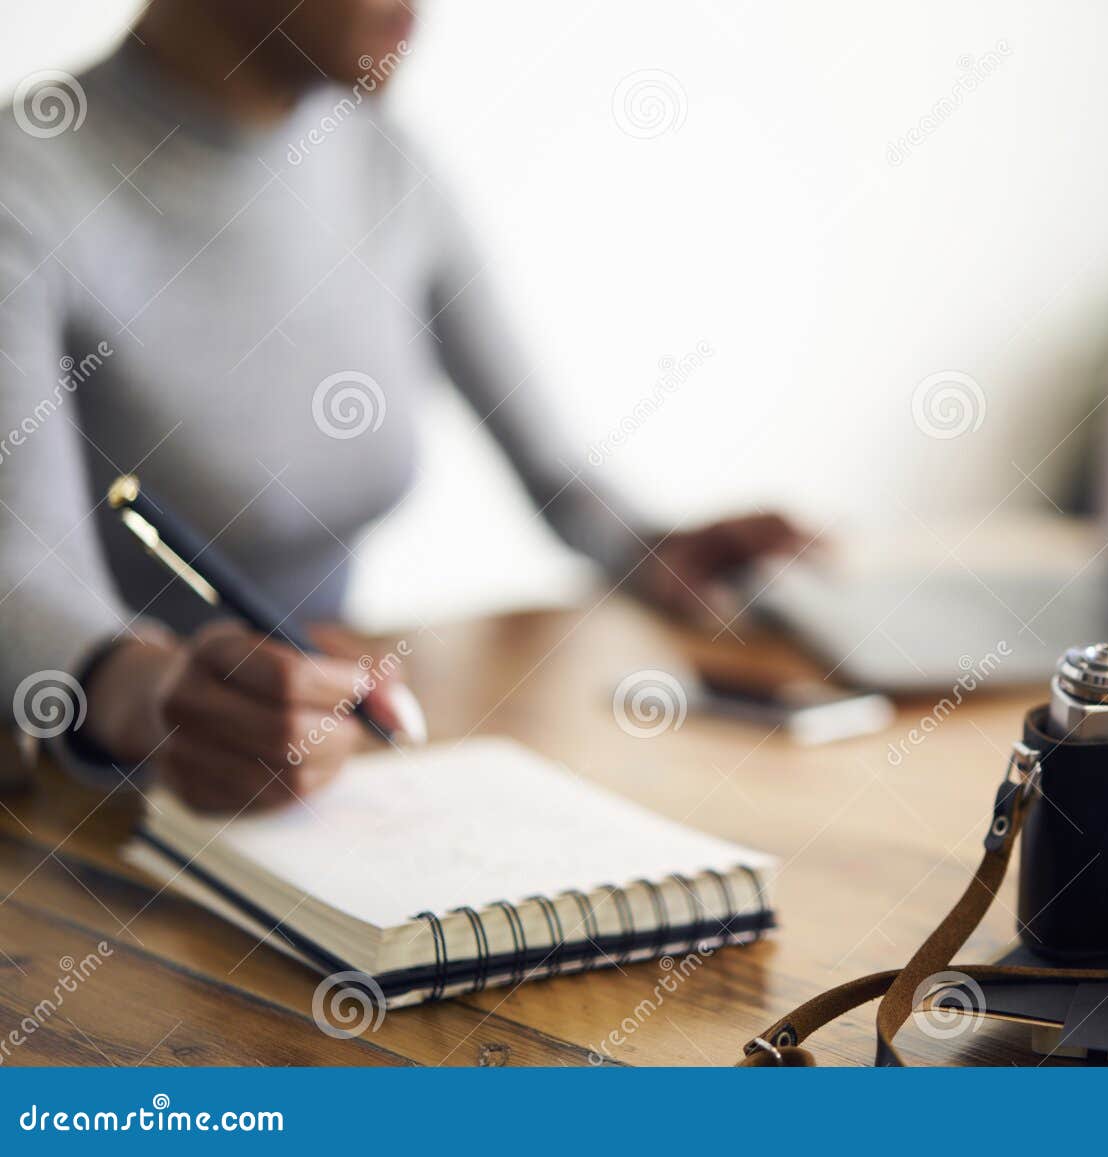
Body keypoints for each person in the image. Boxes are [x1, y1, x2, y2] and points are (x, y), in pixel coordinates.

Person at [0, 0, 803, 812]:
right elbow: (22, 579)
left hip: (323, 770)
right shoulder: (23, 183)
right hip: (86, 814)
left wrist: (654, 550)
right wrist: (159, 694)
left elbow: (553, 468)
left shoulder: (380, 158)